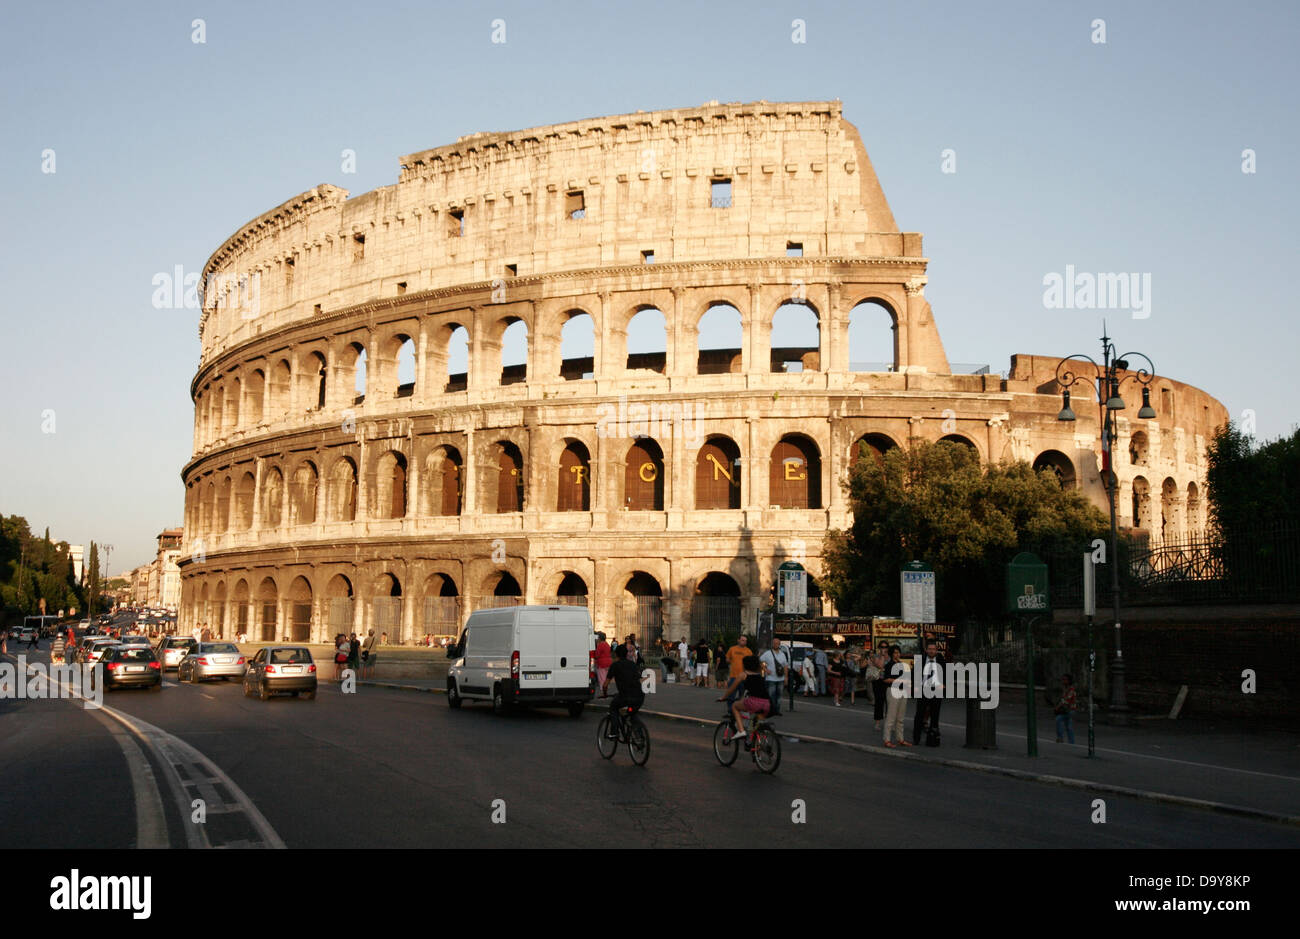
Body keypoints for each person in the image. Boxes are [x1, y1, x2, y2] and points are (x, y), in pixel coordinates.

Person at [717, 654, 769, 739]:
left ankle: (741, 731)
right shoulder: (760, 675)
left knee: (734, 706)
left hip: (754, 702)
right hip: (766, 703)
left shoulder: (743, 674)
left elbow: (731, 689)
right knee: (754, 721)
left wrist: (723, 697)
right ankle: (752, 741)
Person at [601, 644, 646, 738]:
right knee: (632, 713)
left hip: (626, 695)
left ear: (616, 655)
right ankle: (640, 736)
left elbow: (605, 684)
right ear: (626, 654)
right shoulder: (633, 664)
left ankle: (614, 732)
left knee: (613, 707)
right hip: (639, 695)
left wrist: (605, 693)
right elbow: (637, 679)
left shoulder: (615, 665)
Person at [912, 640, 945, 746]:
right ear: (926, 650)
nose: (931, 651)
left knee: (935, 716)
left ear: (936, 650)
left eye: (933, 649)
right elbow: (914, 674)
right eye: (929, 649)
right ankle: (916, 738)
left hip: (936, 691)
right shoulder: (920, 660)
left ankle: (932, 739)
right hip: (923, 690)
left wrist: (944, 685)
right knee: (919, 715)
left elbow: (948, 673)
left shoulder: (941, 660)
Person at [882, 645, 912, 748]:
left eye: (898, 652)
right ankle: (887, 740)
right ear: (891, 654)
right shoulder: (889, 665)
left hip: (903, 691)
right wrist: (899, 680)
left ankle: (900, 739)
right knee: (891, 716)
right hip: (893, 690)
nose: (897, 654)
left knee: (901, 717)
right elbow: (885, 679)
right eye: (895, 652)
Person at [759, 638, 789, 717]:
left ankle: (777, 710)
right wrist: (765, 669)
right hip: (770, 678)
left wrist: (786, 677)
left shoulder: (782, 654)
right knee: (771, 695)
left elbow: (785, 666)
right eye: (774, 643)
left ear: (779, 644)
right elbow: (761, 661)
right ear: (772, 644)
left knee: (779, 696)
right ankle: (771, 710)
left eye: (777, 643)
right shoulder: (767, 653)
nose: (776, 645)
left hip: (781, 678)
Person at [1055, 673, 1078, 744]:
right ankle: (1071, 742)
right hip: (1067, 710)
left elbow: (1066, 700)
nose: (1063, 681)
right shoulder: (1065, 689)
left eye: (1065, 680)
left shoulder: (1071, 689)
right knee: (1068, 726)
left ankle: (1060, 738)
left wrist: (1058, 707)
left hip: (1070, 709)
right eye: (1062, 679)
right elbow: (1063, 699)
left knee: (1058, 719)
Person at [871, 642, 889, 728]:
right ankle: (877, 723)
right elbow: (880, 666)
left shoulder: (890, 657)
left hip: (888, 681)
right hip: (878, 681)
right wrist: (882, 655)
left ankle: (889, 722)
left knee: (889, 702)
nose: (884, 648)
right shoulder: (876, 656)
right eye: (882, 647)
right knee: (879, 702)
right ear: (879, 648)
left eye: (885, 647)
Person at [594, 631, 612, 696]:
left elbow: (597, 655)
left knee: (602, 678)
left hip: (601, 663)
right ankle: (606, 691)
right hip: (608, 662)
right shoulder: (607, 644)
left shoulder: (600, 645)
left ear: (599, 638)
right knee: (606, 677)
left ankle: (603, 693)